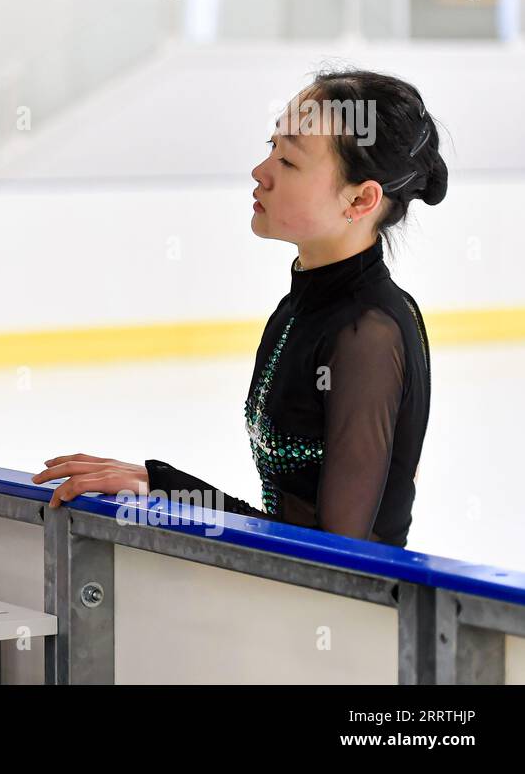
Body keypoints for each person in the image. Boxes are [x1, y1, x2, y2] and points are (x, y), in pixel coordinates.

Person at [34, 70, 448, 548]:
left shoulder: (367, 333)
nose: (261, 171)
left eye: (289, 161)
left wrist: (165, 485)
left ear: (360, 198)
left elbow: (335, 558)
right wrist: (163, 486)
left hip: (350, 619)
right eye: (272, 146)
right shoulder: (302, 307)